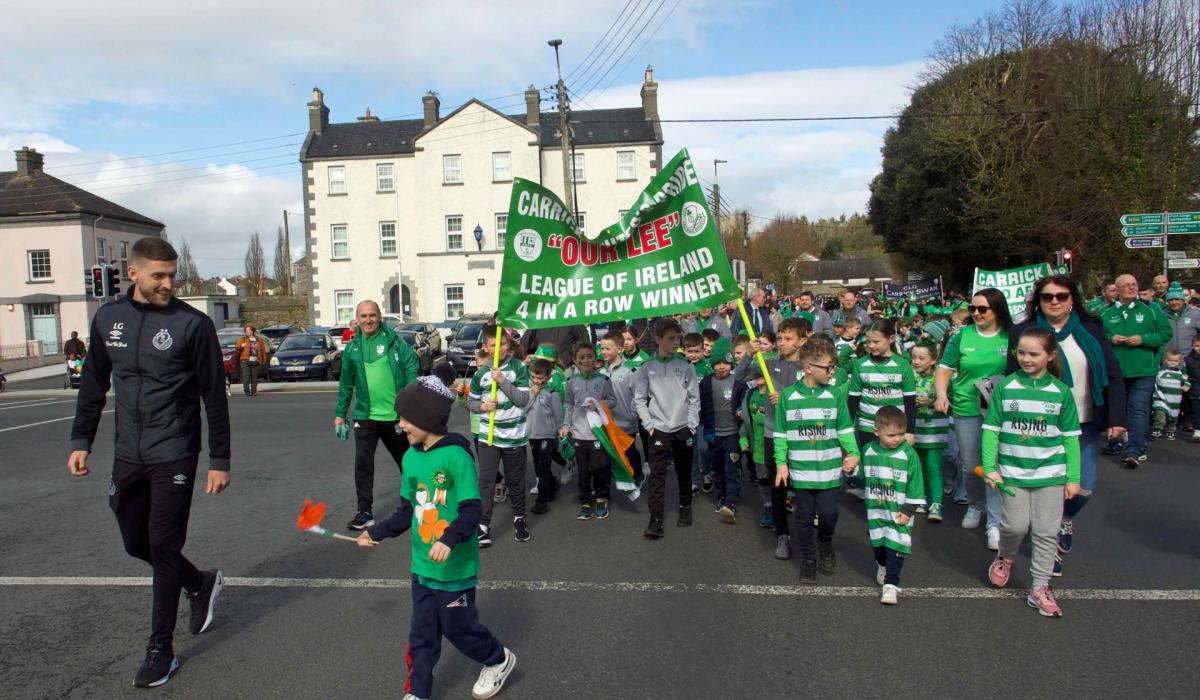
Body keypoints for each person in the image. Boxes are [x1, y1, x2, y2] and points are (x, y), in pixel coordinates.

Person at [68, 236, 230, 688]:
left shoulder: (192, 325)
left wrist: (220, 458)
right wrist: (82, 439)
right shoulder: (108, 319)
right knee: (134, 541)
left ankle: (161, 647)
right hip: (128, 451)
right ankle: (199, 581)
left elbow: (213, 394)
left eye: (172, 275)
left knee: (161, 544)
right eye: (158, 276)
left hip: (174, 449)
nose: (167, 284)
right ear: (133, 273)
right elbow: (94, 382)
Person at [356, 371, 517, 700]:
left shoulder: (457, 457)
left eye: (405, 419)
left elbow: (472, 511)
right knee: (422, 634)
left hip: (455, 570)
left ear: (425, 418)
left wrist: (448, 538)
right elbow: (406, 510)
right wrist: (377, 532)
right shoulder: (410, 458)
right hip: (422, 569)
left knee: (459, 629)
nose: (400, 426)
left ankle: (498, 659)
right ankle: (417, 692)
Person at [1007, 275, 1126, 575]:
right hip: (1037, 427)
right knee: (1048, 488)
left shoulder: (1092, 329)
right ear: (1039, 301)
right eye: (1048, 297)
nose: (1055, 302)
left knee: (1084, 488)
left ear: (1073, 298)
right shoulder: (1023, 331)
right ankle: (1049, 552)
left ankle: (1063, 520)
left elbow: (1113, 374)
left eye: (1061, 295)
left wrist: (1117, 417)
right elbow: (1012, 378)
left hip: (1084, 424)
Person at [981, 327, 1081, 618]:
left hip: (1051, 472)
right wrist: (990, 467)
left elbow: (1071, 437)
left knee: (1047, 531)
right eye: (1021, 352)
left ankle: (1040, 587)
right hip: (1012, 472)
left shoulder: (1061, 392)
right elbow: (991, 430)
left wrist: (1073, 477)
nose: (1026, 358)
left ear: (1050, 356)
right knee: (1013, 527)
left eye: (1034, 354)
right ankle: (1005, 556)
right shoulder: (1005, 387)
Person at [773, 339, 860, 584]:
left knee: (829, 514)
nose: (831, 373)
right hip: (801, 472)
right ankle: (809, 560)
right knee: (803, 517)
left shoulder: (834, 396)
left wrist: (853, 454)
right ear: (809, 367)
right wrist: (782, 462)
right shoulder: (788, 397)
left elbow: (844, 429)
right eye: (827, 368)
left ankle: (825, 544)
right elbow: (781, 435)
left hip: (830, 470)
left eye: (833, 368)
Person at [934, 288, 1012, 550]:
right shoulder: (962, 336)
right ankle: (975, 505)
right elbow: (944, 369)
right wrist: (942, 394)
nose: (976, 313)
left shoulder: (1011, 335)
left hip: (1000, 411)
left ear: (997, 310)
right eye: (973, 309)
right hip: (967, 407)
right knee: (970, 465)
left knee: (993, 466)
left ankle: (994, 522)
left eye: (983, 309)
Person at [335, 300, 421, 530]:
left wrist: (408, 402)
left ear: (380, 316)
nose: (368, 320)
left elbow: (412, 365)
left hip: (395, 417)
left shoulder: (394, 341)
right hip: (365, 417)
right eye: (363, 316)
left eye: (372, 315)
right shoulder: (352, 348)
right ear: (357, 318)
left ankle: (417, 505)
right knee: (363, 464)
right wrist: (340, 414)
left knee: (408, 462)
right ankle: (365, 512)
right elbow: (345, 383)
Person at [734, 317, 809, 556]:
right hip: (772, 433)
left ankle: (807, 531)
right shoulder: (769, 362)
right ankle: (782, 534)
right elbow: (739, 376)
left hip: (800, 434)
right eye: (780, 338)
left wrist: (786, 397)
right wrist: (749, 354)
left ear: (802, 341)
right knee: (778, 484)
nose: (782, 343)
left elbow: (816, 395)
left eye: (788, 339)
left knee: (801, 486)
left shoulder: (808, 366)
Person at [848, 405, 923, 605]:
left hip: (900, 511)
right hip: (876, 510)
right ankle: (882, 565)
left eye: (900, 434)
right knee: (879, 546)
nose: (897, 438)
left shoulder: (909, 455)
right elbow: (862, 473)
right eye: (891, 435)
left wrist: (909, 510)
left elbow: (916, 485)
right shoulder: (869, 450)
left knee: (896, 545)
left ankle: (891, 585)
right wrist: (851, 470)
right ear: (876, 431)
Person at [633, 319, 700, 539]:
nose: (675, 342)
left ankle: (685, 507)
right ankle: (656, 519)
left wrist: (691, 425)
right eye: (671, 338)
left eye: (677, 338)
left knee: (683, 469)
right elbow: (640, 399)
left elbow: (694, 398)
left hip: (682, 428)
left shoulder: (685, 365)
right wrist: (649, 425)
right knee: (657, 474)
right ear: (658, 339)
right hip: (659, 429)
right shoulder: (647, 368)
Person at [1100, 274, 1173, 467]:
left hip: (1144, 370)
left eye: (1134, 284)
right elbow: (1098, 337)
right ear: (1117, 289)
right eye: (1126, 285)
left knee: (1138, 408)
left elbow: (1166, 333)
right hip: (1115, 371)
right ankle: (1115, 442)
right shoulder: (1106, 313)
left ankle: (1134, 449)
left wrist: (1144, 339)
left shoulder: (1152, 309)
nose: (1131, 288)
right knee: (1116, 409)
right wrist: (1111, 338)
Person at [468, 326, 531, 545]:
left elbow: (523, 400)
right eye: (494, 345)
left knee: (515, 481)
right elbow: (471, 402)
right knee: (486, 482)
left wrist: (503, 381)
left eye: (503, 344)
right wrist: (483, 407)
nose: (499, 349)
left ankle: (519, 518)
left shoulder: (519, 368)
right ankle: (483, 526)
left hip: (514, 436)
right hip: (489, 437)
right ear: (486, 347)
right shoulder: (481, 374)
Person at [560, 343, 617, 520]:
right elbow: (569, 404)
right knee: (583, 470)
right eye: (581, 357)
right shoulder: (571, 382)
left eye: (589, 356)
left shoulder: (603, 380)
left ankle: (601, 497)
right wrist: (566, 425)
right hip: (578, 433)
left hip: (598, 433)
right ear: (575, 360)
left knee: (599, 467)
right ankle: (585, 500)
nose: (586, 360)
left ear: (595, 358)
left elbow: (613, 401)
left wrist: (599, 405)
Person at [699, 339, 741, 523]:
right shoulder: (706, 383)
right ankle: (721, 497)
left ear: (731, 363)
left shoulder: (738, 383)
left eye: (725, 362)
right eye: (717, 363)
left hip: (732, 435)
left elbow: (743, 405)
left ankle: (730, 502)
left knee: (730, 469)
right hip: (713, 434)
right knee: (718, 470)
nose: (721, 367)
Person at [910, 338, 949, 522]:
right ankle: (921, 497)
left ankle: (937, 503)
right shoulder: (909, 375)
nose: (916, 361)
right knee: (919, 466)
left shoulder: (941, 378)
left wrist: (933, 402)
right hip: (914, 429)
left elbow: (953, 402)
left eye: (921, 358)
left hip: (935, 430)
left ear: (933, 360)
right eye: (914, 357)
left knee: (933, 466)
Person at [525, 358, 562, 514]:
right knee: (539, 466)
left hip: (546, 435)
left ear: (547, 377)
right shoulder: (528, 392)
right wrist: (532, 395)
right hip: (532, 434)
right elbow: (523, 408)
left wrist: (560, 431)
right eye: (533, 377)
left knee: (543, 467)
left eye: (540, 378)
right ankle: (553, 484)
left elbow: (558, 415)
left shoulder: (551, 393)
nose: (536, 380)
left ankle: (541, 500)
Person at [1151, 350, 1189, 440]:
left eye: (1175, 361)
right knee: (1159, 414)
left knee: (1173, 417)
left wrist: (1186, 386)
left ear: (1179, 361)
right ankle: (1157, 429)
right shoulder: (1160, 371)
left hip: (1175, 400)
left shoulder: (1180, 373)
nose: (1173, 363)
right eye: (1170, 360)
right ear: (1165, 360)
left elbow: (1186, 382)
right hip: (1161, 398)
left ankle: (1170, 431)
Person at [1162, 282, 1200, 355]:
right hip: (1167, 361)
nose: (1174, 302)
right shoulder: (1161, 314)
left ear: (1183, 300)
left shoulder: (1196, 314)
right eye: (1170, 300)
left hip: (1189, 360)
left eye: (1177, 299)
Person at [234, 324, 266, 396]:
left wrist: (263, 360)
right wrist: (241, 345)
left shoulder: (259, 340)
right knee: (246, 377)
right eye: (246, 330)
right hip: (245, 361)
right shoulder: (242, 339)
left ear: (252, 331)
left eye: (249, 330)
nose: (247, 331)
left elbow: (262, 351)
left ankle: (254, 391)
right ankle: (247, 391)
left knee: (254, 378)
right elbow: (236, 347)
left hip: (255, 361)